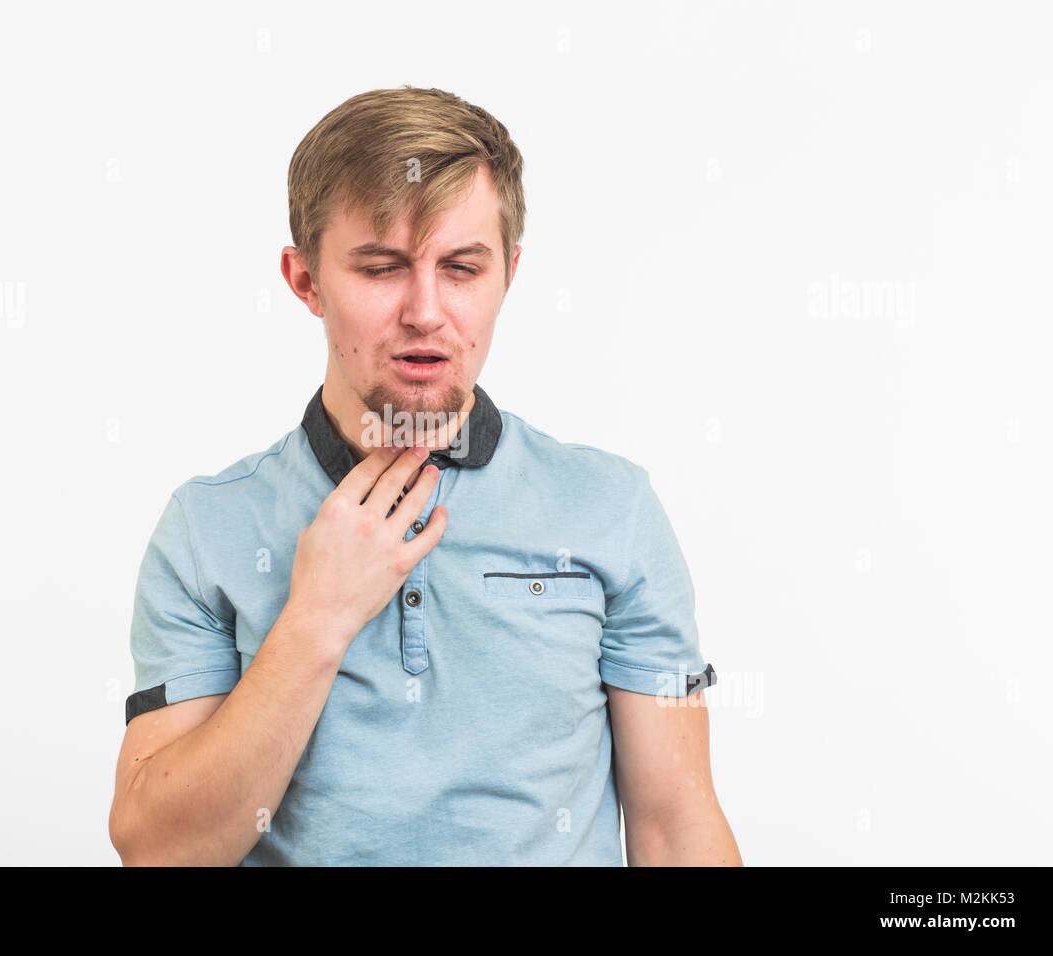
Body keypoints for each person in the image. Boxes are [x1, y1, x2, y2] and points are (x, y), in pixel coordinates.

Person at [108, 86, 741, 866]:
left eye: (462, 268)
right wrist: (316, 619)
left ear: (508, 273)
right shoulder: (207, 530)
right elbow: (160, 849)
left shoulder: (614, 509)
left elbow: (676, 829)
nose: (425, 311)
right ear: (305, 281)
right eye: (381, 268)